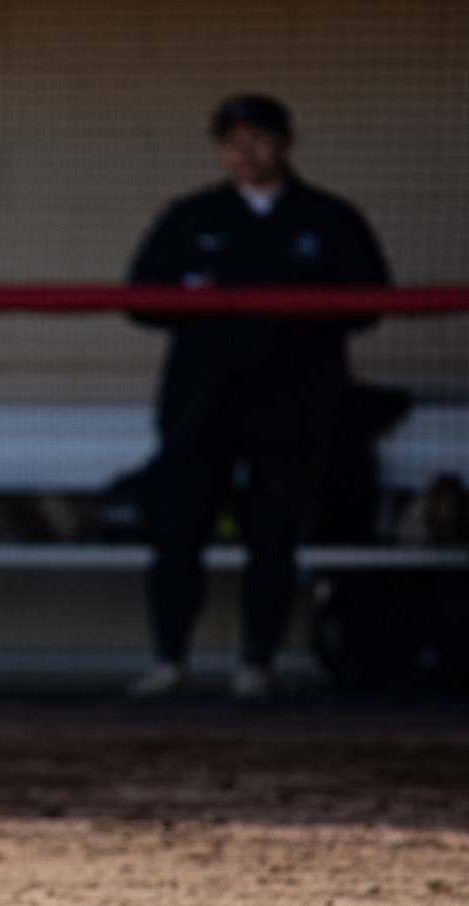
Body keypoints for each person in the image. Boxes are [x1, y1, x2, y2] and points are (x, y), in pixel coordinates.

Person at [125, 95, 391, 700]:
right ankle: (168, 661)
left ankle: (256, 664)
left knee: (274, 536)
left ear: (286, 142)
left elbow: (371, 303)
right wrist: (197, 295)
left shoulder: (328, 218)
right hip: (202, 406)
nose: (246, 152)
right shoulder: (191, 217)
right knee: (177, 532)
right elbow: (139, 299)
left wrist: (293, 299)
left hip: (290, 406)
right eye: (233, 141)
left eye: (259, 139)